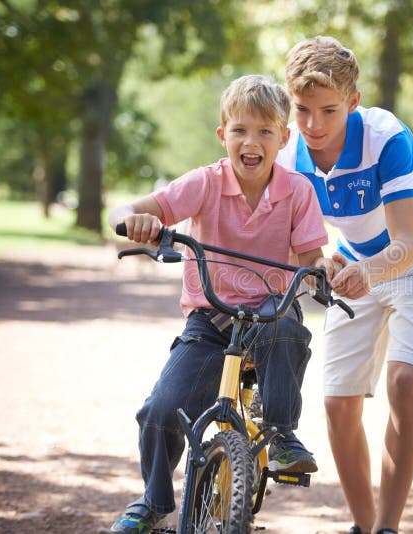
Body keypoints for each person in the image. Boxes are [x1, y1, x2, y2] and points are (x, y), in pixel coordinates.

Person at [108, 74, 332, 534]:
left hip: (270, 313)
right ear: (222, 135)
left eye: (265, 132)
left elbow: (311, 258)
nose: (252, 142)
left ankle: (282, 434)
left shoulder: (298, 191)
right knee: (160, 411)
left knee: (287, 327)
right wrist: (136, 220)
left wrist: (325, 271)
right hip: (210, 320)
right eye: (241, 131)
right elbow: (131, 208)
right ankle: (153, 501)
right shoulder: (204, 184)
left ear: (283, 139)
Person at [277, 36, 413, 534]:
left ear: (353, 102)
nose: (314, 125)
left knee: (405, 380)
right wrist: (326, 260)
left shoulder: (388, 138)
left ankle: (387, 527)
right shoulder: (291, 152)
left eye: (329, 111)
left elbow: (407, 244)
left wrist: (368, 270)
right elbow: (302, 240)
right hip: (359, 263)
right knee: (338, 402)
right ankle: (363, 527)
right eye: (302, 110)